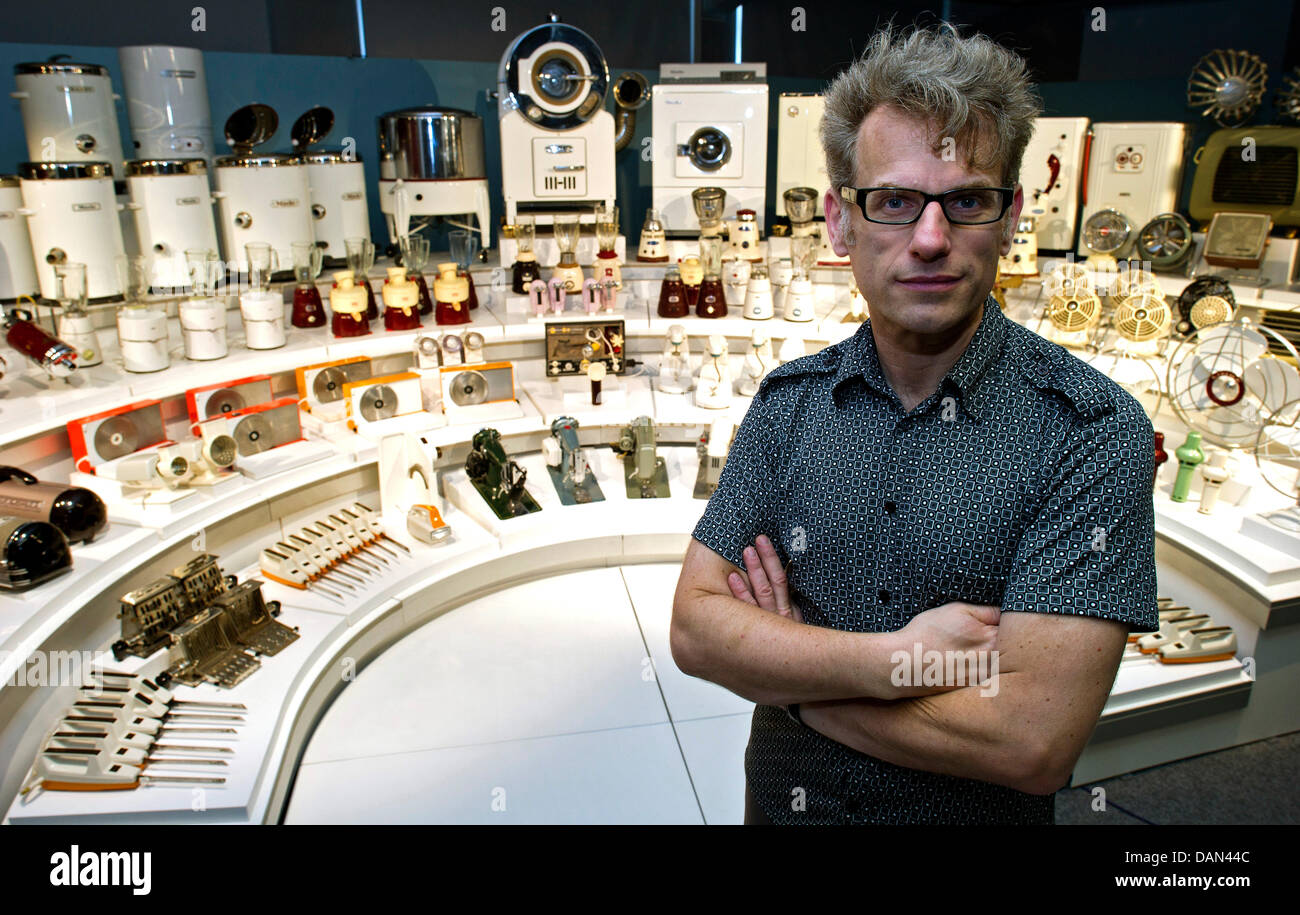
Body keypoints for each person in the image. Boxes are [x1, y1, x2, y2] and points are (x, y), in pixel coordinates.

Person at [669, 23, 1157, 825]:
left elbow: (1029, 743)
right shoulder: (789, 403)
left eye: (966, 200)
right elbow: (696, 628)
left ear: (1010, 218)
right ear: (839, 221)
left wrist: (791, 679)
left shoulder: (1091, 430)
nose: (930, 238)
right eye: (893, 200)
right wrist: (899, 660)